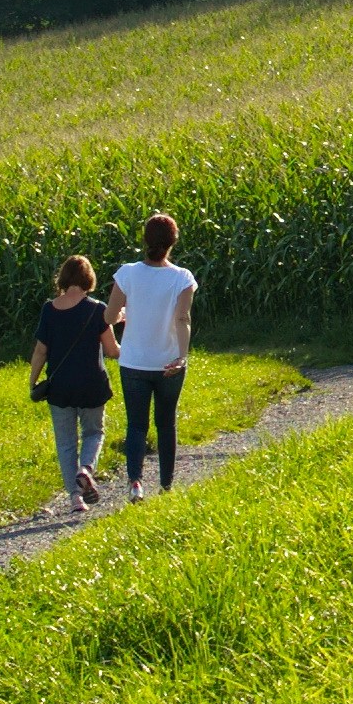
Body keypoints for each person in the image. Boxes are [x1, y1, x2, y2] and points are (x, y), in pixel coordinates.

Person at [108, 209, 199, 495]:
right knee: (166, 423)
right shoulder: (183, 278)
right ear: (173, 242)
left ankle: (135, 482)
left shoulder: (127, 273)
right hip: (168, 362)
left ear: (144, 239)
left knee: (136, 424)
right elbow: (182, 319)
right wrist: (181, 356)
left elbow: (109, 317)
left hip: (134, 361)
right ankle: (166, 484)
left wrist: (123, 313)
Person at [27, 253, 118, 510]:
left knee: (66, 443)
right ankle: (86, 470)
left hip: (60, 388)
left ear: (63, 278)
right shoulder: (98, 309)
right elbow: (112, 351)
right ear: (89, 278)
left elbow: (40, 351)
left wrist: (33, 381)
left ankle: (75, 499)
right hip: (92, 385)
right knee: (94, 432)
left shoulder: (49, 309)